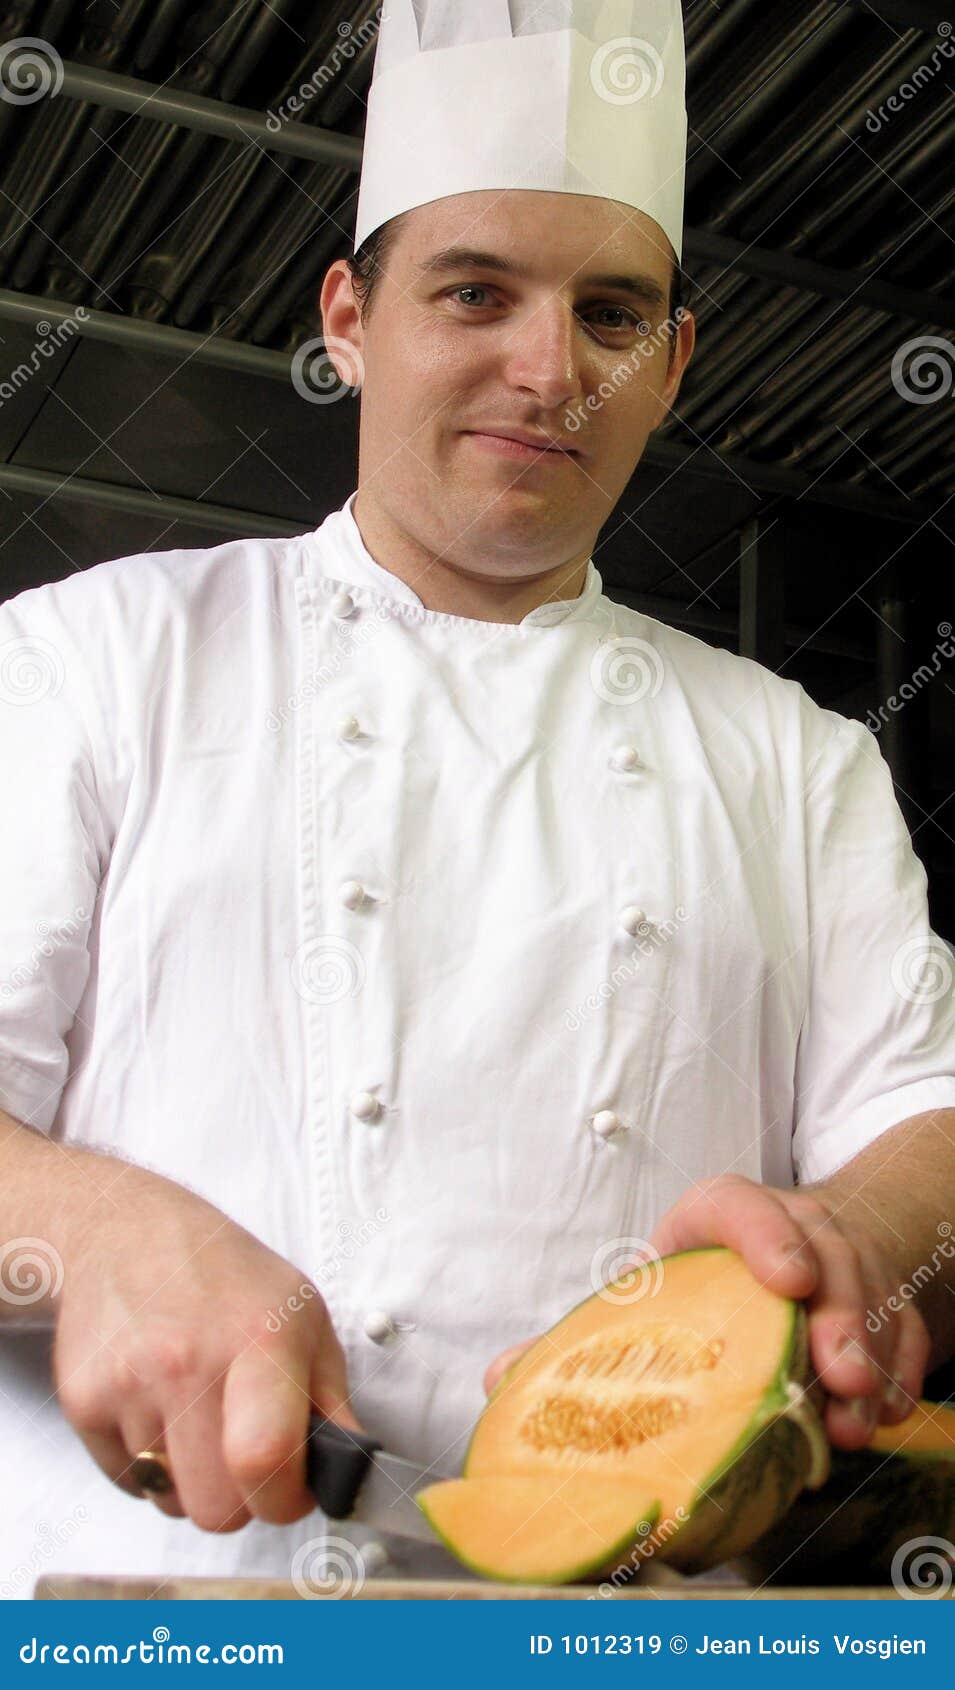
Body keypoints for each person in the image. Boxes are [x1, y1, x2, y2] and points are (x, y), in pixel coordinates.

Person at [0, 0, 953, 1595]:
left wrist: (861, 1234)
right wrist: (90, 1230)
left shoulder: (798, 760)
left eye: (611, 312)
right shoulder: (88, 660)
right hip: (148, 1610)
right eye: (475, 291)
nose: (548, 369)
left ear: (672, 364)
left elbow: (926, 1122)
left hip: (635, 1637)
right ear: (348, 318)